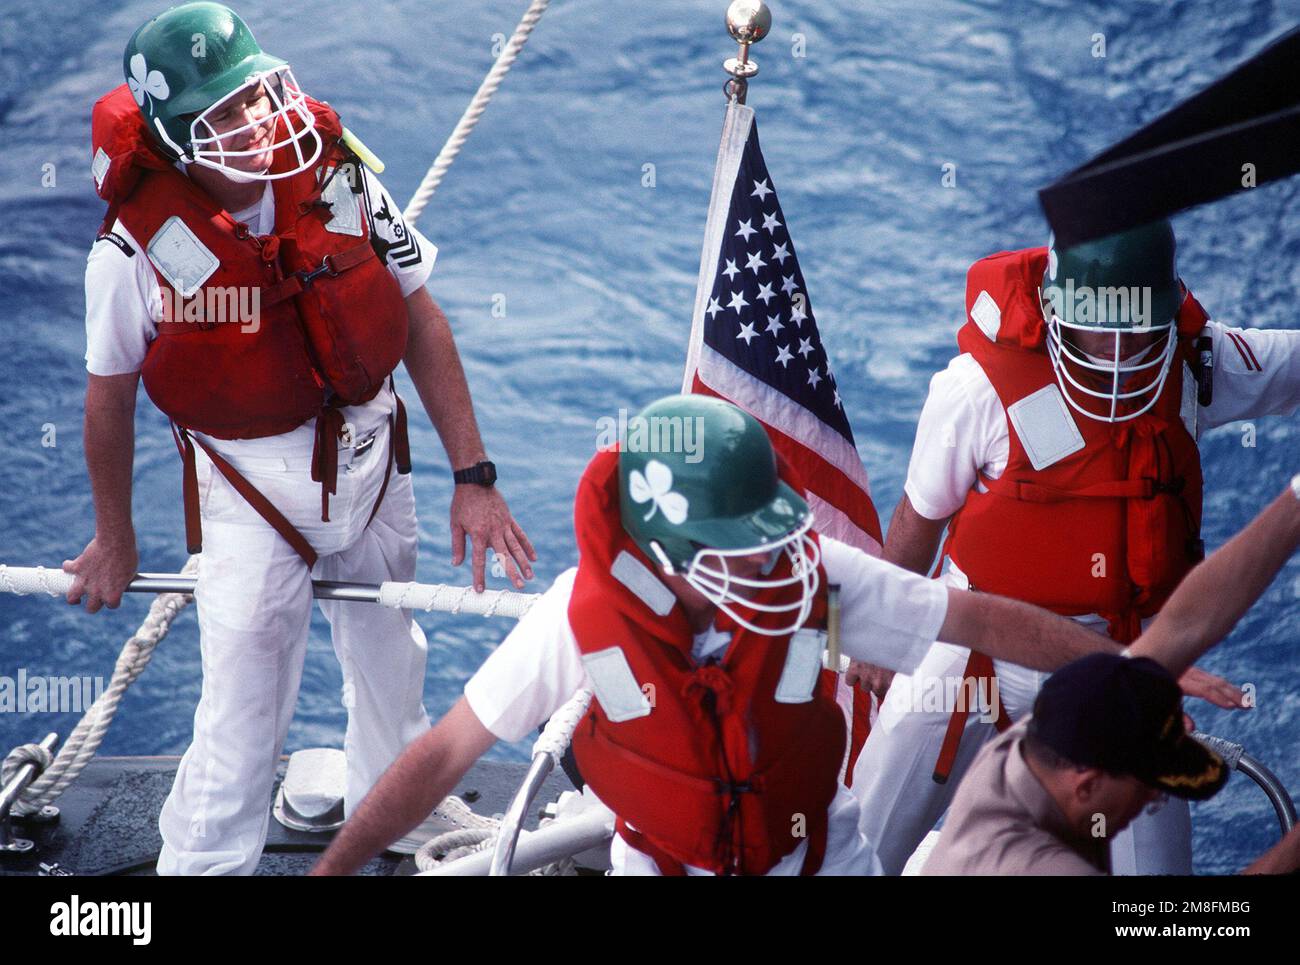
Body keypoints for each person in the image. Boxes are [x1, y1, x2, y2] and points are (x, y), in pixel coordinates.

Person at [308, 394, 1232, 876]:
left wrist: (1137, 669)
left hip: (824, 855)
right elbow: (441, 756)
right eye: (743, 548)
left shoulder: (813, 574)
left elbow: (981, 616)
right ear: (670, 557)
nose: (780, 566)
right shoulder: (576, 619)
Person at [63, 2, 535, 874]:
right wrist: (114, 537)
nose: (255, 122)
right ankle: (203, 864)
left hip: (375, 466)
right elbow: (108, 397)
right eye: (223, 113)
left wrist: (473, 472)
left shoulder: (339, 174)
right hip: (253, 497)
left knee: (394, 667)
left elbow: (418, 314)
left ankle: (398, 808)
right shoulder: (131, 251)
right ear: (171, 139)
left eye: (255, 94)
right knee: (241, 716)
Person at [851, 219, 1299, 875]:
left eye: (1136, 330)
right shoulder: (974, 388)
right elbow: (920, 517)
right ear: (1058, 310)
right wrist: (876, 639)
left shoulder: (1201, 362)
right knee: (857, 847)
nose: (1119, 354)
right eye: (1102, 329)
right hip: (976, 650)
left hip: (1131, 664)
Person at [922, 477, 1300, 875]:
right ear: (1085, 785)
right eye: (1146, 788)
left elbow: (1188, 624)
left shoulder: (1029, 751)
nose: (1153, 800)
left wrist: (1295, 502)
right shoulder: (1035, 867)